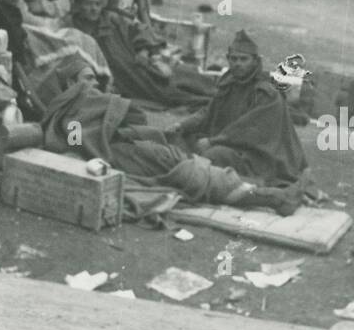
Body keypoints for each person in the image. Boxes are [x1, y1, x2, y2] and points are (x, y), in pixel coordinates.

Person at [31, 53, 301, 215]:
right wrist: (102, 139)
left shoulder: (81, 103)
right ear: (69, 83)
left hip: (129, 145)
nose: (93, 84)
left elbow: (125, 117)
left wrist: (128, 130)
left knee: (189, 164)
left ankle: (264, 195)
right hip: (120, 153)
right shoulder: (68, 110)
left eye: (93, 78)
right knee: (189, 172)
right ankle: (268, 198)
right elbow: (76, 141)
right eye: (86, 78)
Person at [171, 30, 309, 187]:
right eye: (234, 59)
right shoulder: (229, 85)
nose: (238, 63)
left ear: (255, 61)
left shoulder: (266, 93)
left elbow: (250, 128)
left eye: (244, 59)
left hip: (260, 156)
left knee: (214, 155)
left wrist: (212, 141)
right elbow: (208, 112)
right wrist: (182, 125)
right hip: (233, 145)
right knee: (181, 140)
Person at [67, 0, 216, 111]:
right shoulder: (74, 29)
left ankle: (218, 93)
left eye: (97, 4)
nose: (94, 9)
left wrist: (143, 50)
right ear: (79, 6)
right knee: (165, 94)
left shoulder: (112, 19)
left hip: (136, 64)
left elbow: (141, 29)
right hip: (121, 78)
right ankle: (212, 101)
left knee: (181, 76)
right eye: (88, 4)